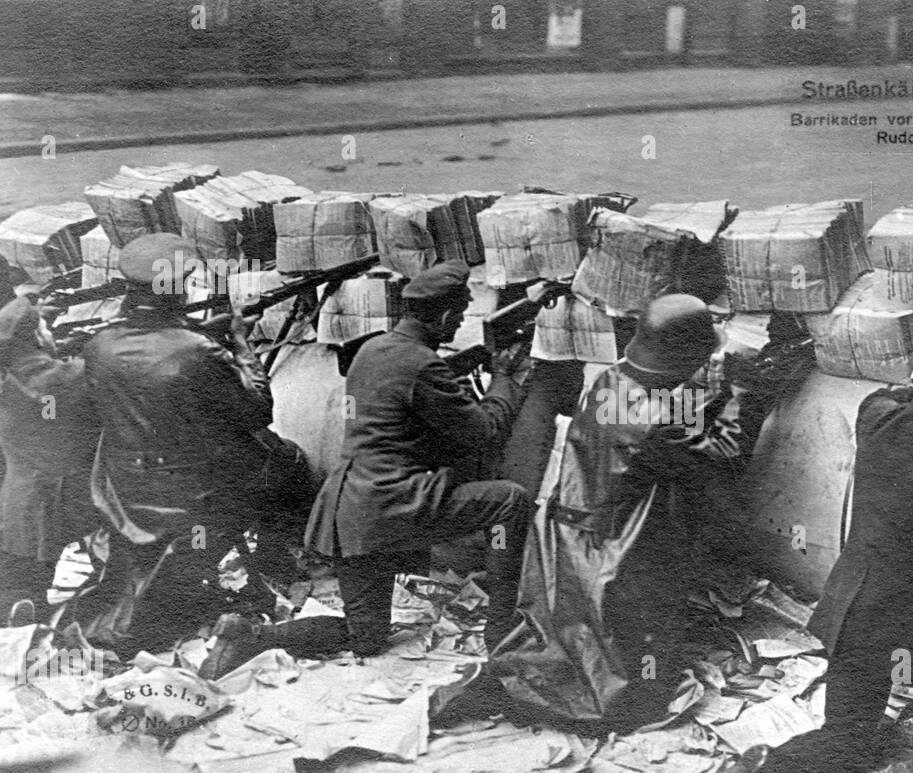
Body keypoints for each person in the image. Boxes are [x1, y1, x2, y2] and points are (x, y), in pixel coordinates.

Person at [696, 316, 913, 773]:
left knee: (847, 736)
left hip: (850, 605)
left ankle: (762, 771)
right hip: (909, 624)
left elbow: (904, 401)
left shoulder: (878, 415)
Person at [204, 262, 533, 676]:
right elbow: (483, 431)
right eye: (460, 317)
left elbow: (417, 379)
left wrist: (481, 354)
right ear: (447, 317)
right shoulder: (421, 365)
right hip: (394, 507)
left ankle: (253, 637)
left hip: (350, 514)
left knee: (367, 637)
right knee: (510, 501)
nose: (459, 324)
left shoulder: (373, 350)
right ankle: (502, 630)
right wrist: (504, 375)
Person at [489, 294, 775, 730]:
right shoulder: (654, 418)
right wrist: (744, 391)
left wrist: (707, 389)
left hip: (572, 531)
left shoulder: (611, 379)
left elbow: (672, 415)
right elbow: (725, 454)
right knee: (631, 679)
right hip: (611, 547)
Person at [81, 233, 312, 651]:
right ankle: (278, 565)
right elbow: (258, 410)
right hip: (194, 496)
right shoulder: (196, 352)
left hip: (125, 491)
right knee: (287, 459)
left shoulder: (98, 346)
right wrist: (240, 344)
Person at [0, 295, 101, 623]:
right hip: (61, 497)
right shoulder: (65, 377)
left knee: (20, 581)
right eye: (44, 326)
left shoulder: (9, 378)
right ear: (37, 337)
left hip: (18, 501)